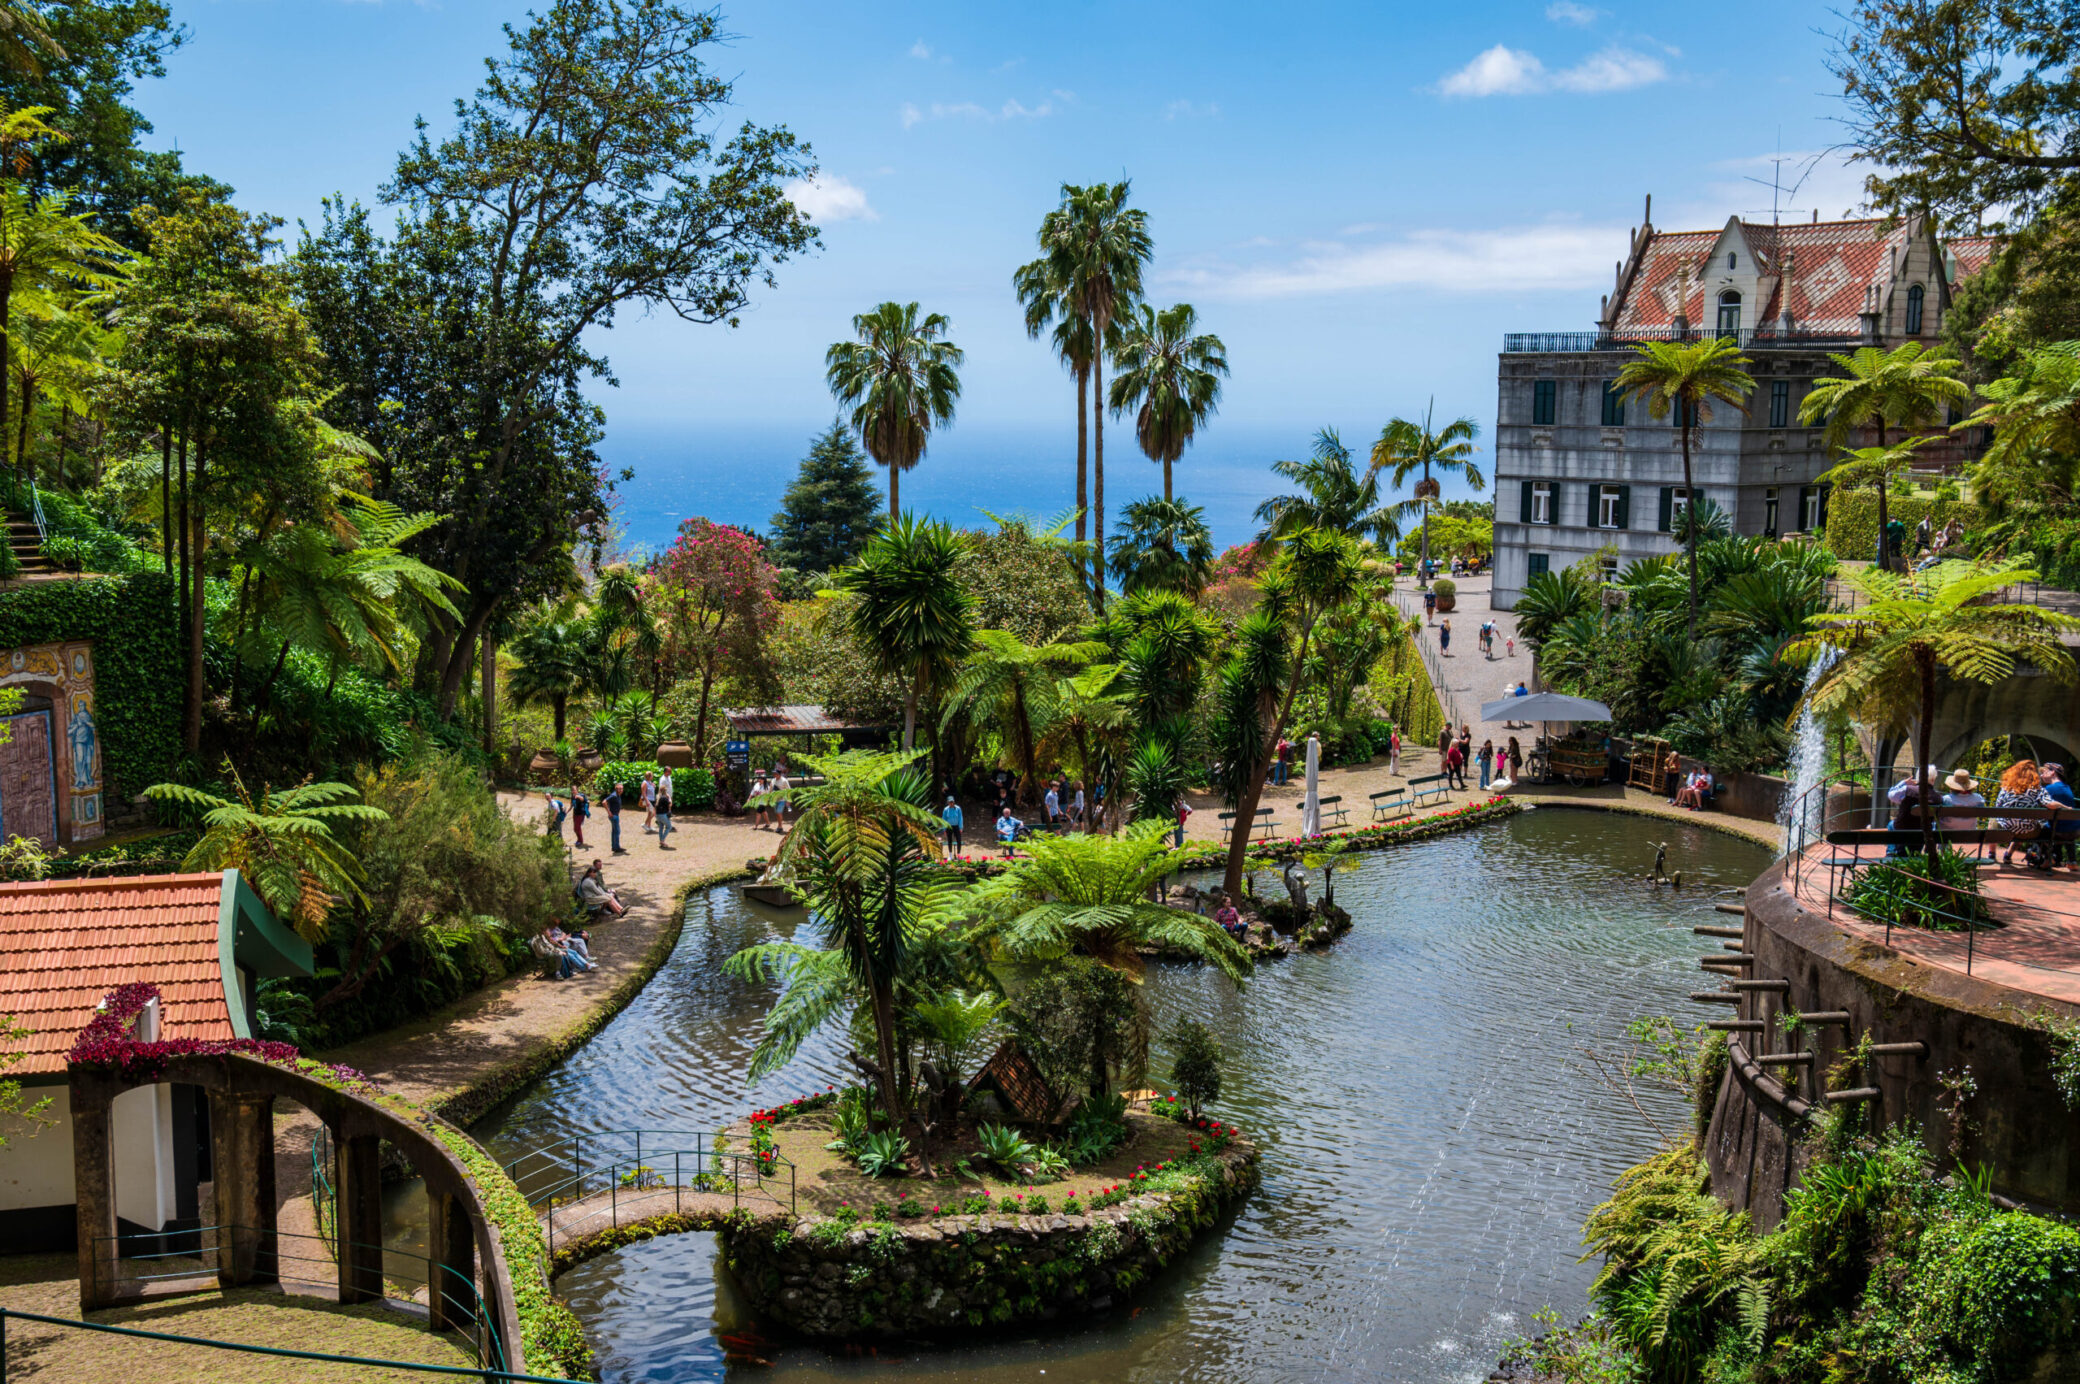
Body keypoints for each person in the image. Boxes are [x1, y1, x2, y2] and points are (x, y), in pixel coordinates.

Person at [1997, 760, 2050, 866]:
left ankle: (1999, 854)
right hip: (2028, 832)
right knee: (2037, 826)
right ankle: (2047, 859)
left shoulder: (2006, 789)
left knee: (2016, 823)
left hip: (2005, 830)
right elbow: (2048, 803)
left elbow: (1998, 806)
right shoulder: (2038, 790)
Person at [2044, 763, 2080, 866]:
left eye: (2046, 771)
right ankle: (2072, 861)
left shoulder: (2049, 789)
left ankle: (2048, 858)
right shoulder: (2067, 787)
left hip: (2058, 831)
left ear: (2053, 772)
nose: (2043, 774)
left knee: (2040, 828)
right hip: (2075, 830)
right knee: (2067, 825)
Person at [655, 773, 675, 848]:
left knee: (661, 827)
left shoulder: (658, 797)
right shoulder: (664, 798)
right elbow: (670, 805)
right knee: (669, 827)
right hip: (663, 814)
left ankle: (661, 841)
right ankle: (662, 840)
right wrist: (669, 798)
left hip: (658, 815)